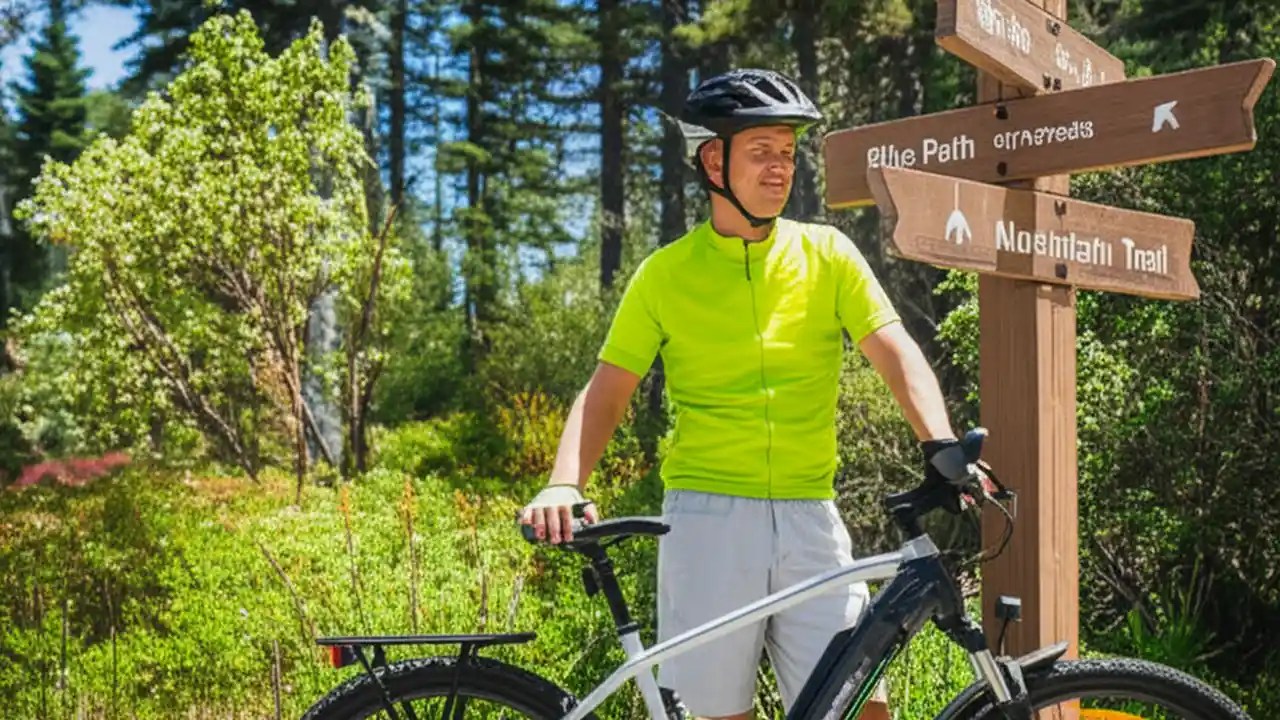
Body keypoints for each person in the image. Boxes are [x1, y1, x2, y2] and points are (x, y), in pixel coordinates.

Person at [518, 68, 970, 720]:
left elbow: (897, 354)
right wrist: (565, 482)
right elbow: (606, 392)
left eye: (788, 153)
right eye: (762, 152)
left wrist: (942, 444)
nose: (780, 169)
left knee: (863, 712)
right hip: (706, 524)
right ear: (713, 160)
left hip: (812, 519)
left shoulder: (829, 256)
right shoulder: (664, 276)